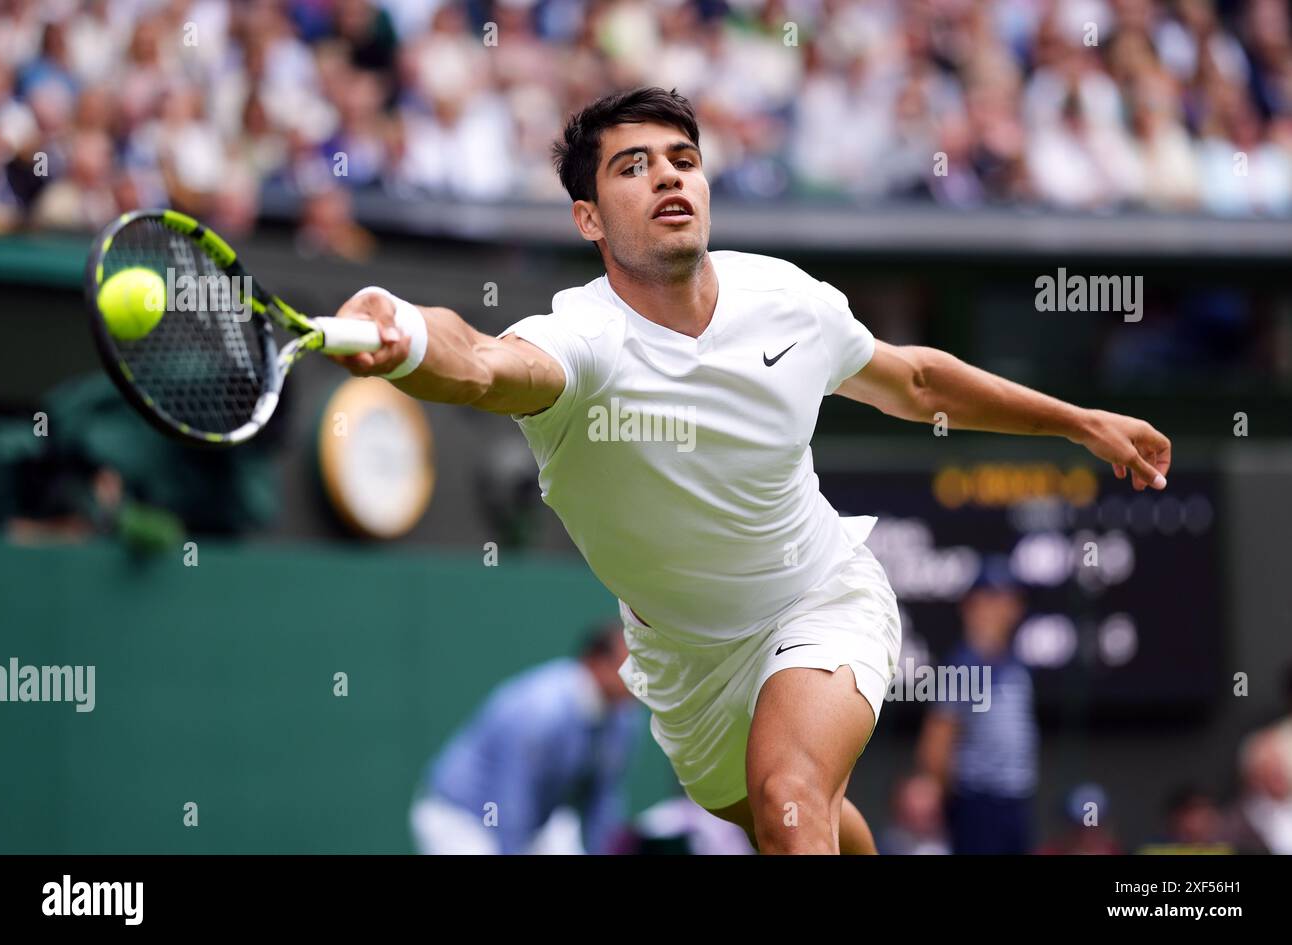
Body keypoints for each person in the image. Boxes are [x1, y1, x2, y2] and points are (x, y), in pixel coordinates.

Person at [329, 87, 1172, 854]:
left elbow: (914, 380)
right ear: (589, 219)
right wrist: (402, 327)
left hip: (820, 595)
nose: (668, 178)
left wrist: (1080, 420)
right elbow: (476, 361)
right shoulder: (580, 340)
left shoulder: (786, 300)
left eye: (683, 161)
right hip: (688, 670)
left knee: (790, 796)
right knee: (810, 820)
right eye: (634, 166)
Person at [410, 624, 639, 855]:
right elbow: (509, 798)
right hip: (467, 816)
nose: (639, 676)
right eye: (629, 664)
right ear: (597, 662)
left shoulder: (623, 717)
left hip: (536, 815)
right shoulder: (542, 709)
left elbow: (602, 802)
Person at [917, 557, 1039, 854]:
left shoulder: (1014, 665)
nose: (1001, 609)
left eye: (1008, 600)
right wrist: (956, 802)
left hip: (1016, 802)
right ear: (970, 606)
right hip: (979, 804)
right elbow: (934, 748)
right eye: (991, 599)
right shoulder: (964, 666)